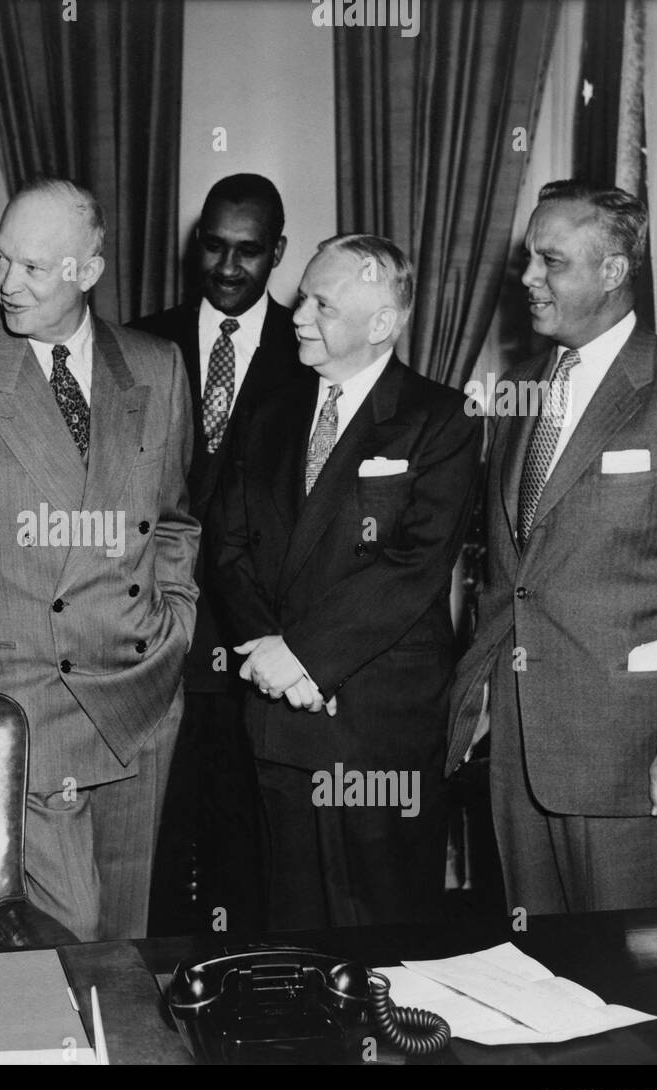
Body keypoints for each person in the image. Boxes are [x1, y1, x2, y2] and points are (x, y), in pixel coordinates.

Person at [0, 176, 200, 941]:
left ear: (87, 271)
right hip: (21, 700)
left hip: (140, 696)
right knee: (62, 940)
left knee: (125, 937)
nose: (6, 283)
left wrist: (174, 622)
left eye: (33, 268)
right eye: (1, 260)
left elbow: (178, 521)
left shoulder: (158, 366)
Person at [446, 182, 657, 913]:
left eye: (551, 261)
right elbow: (512, 574)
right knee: (536, 981)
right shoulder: (520, 387)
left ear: (612, 271)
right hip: (516, 751)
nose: (529, 277)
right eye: (528, 259)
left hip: (630, 759)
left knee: (636, 988)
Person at [211, 234, 478, 928]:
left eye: (322, 304)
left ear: (382, 323)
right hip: (279, 717)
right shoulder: (266, 411)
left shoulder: (440, 419)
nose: (298, 316)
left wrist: (302, 654)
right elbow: (228, 546)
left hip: (379, 728)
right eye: (303, 297)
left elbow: (414, 565)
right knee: (290, 928)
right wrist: (270, 651)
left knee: (387, 939)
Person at [132, 173, 307, 934]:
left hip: (259, 647)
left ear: (279, 253)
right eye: (213, 246)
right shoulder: (139, 341)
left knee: (250, 850)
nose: (229, 268)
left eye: (249, 252)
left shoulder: (312, 351)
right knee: (154, 852)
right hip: (150, 638)